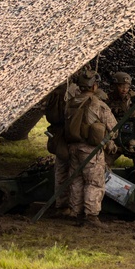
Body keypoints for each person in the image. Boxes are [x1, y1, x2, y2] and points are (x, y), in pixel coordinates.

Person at [64, 68, 117, 227]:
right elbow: (114, 128)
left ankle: (74, 211)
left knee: (76, 179)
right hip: (90, 149)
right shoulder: (98, 104)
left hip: (73, 147)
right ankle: (91, 215)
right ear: (94, 86)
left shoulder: (71, 102)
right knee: (94, 182)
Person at [103, 71, 135, 177]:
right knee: (101, 164)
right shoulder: (106, 101)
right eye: (121, 86)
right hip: (115, 138)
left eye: (127, 86)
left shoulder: (134, 99)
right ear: (114, 86)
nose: (124, 89)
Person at [44, 79, 79, 217]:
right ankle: (71, 207)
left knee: (60, 171)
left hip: (58, 136)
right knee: (74, 171)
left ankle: (61, 204)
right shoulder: (71, 92)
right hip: (67, 136)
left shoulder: (54, 92)